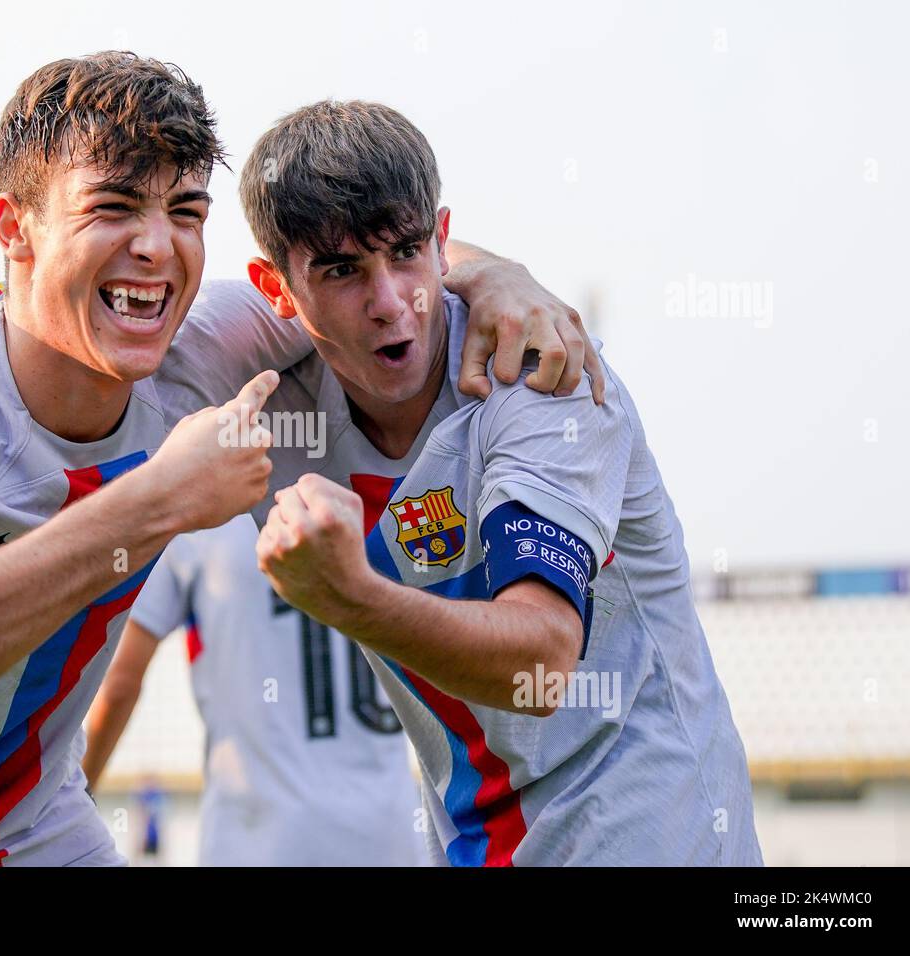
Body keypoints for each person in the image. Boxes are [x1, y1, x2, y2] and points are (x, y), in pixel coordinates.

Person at [0, 53, 595, 867]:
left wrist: (500, 273)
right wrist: (157, 501)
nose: (159, 246)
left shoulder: (199, 340)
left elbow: (359, 262)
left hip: (26, 824)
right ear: (16, 228)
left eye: (185, 211)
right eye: (115, 208)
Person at [239, 101, 763, 865]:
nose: (392, 302)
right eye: (343, 269)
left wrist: (348, 595)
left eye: (408, 252)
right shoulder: (263, 392)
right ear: (276, 288)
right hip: (479, 838)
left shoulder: (542, 378)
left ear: (442, 242)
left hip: (650, 827)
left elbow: (543, 664)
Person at [83, 515, 425, 866]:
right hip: (390, 832)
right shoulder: (368, 500)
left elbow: (120, 683)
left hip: (259, 838)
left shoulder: (199, 517)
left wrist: (78, 793)